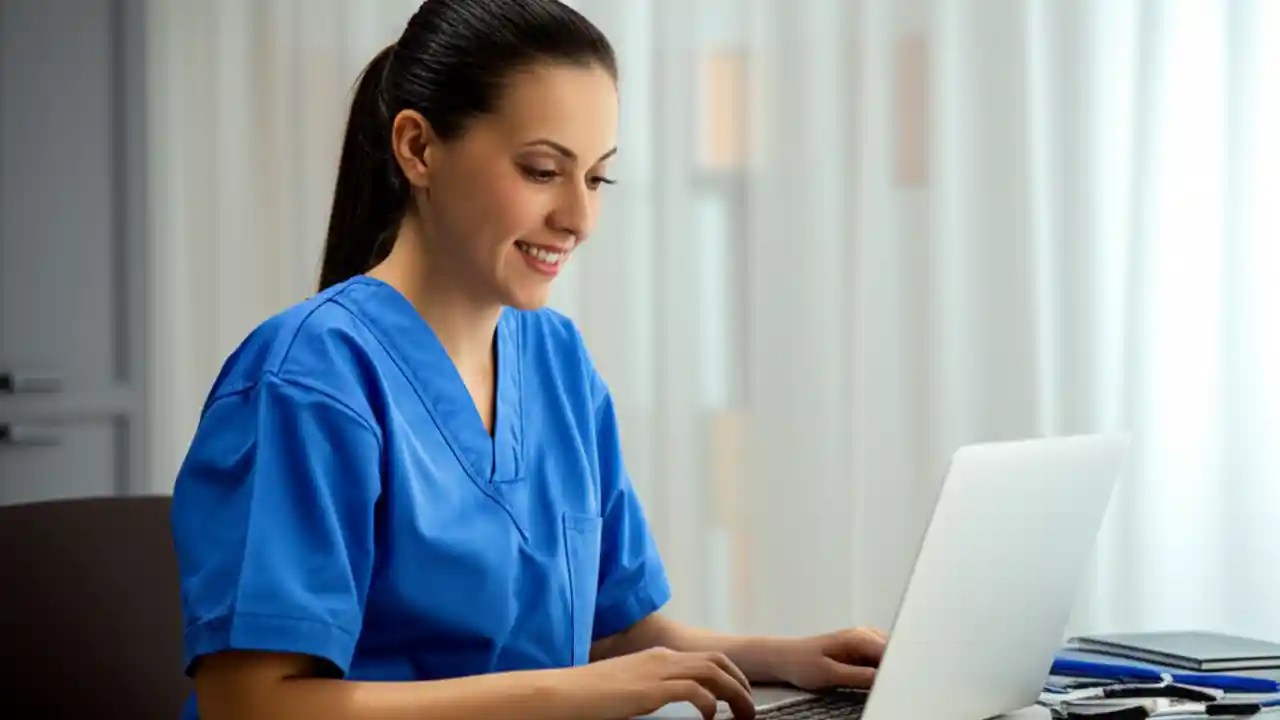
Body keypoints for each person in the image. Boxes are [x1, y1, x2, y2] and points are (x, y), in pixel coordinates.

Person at [170, 1, 886, 719]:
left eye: (597, 178)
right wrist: (564, 693)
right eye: (543, 170)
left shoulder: (559, 363)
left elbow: (620, 632)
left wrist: (788, 658)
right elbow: (251, 703)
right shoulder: (307, 378)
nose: (579, 218)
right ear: (418, 149)